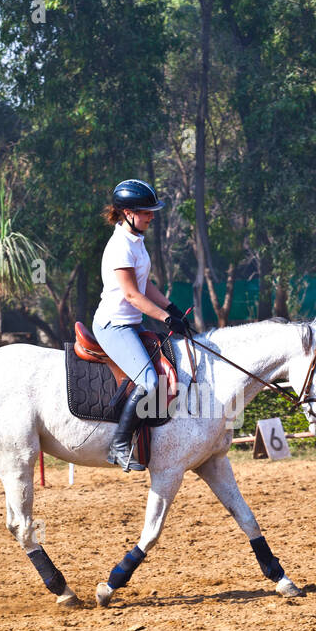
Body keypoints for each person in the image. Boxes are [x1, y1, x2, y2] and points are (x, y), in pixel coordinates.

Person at [92, 178, 192, 472]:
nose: (151, 216)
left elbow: (145, 285)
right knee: (149, 383)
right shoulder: (120, 246)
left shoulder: (136, 241)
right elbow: (132, 295)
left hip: (132, 323)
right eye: (146, 212)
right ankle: (119, 445)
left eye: (151, 211)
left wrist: (170, 306)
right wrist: (165, 318)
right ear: (126, 212)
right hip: (114, 326)